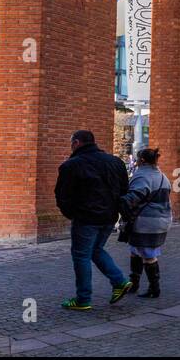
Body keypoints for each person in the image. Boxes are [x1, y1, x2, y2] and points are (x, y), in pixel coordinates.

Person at [54, 129, 135, 310]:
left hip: (85, 218)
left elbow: (62, 195)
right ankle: (119, 281)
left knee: (81, 255)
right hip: (109, 217)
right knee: (96, 249)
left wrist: (71, 214)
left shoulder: (71, 165)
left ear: (76, 143)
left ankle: (83, 299)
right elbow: (124, 190)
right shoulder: (115, 162)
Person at [119, 147, 173, 298]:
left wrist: (116, 201)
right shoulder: (162, 176)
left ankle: (154, 289)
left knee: (148, 255)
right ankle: (134, 284)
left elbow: (133, 198)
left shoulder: (143, 176)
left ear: (141, 160)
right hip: (161, 220)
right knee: (136, 251)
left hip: (146, 222)